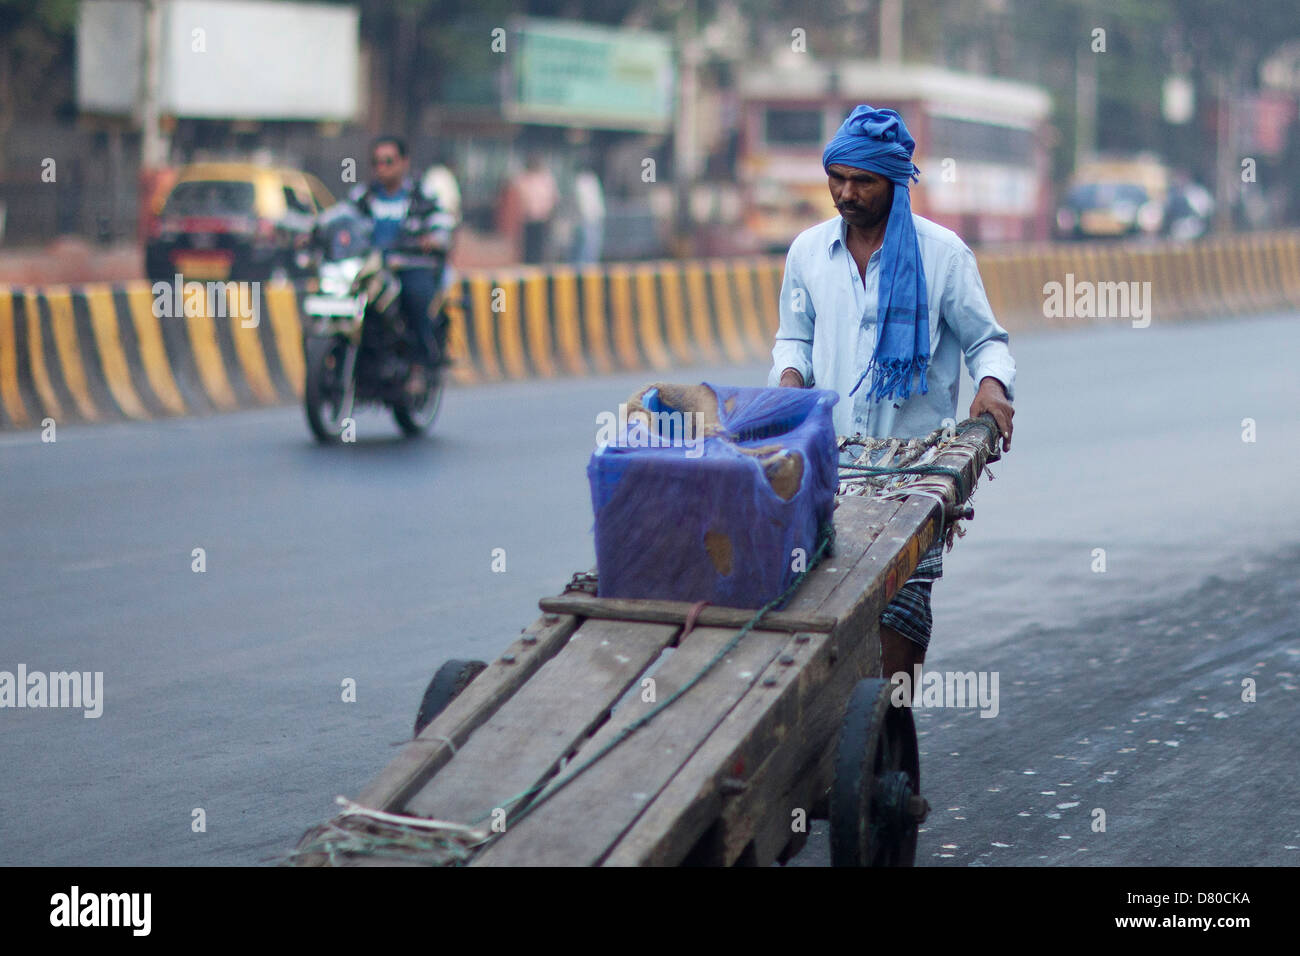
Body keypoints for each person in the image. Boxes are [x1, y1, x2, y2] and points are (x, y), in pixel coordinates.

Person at [769, 105, 1017, 684]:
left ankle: (890, 738)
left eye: (863, 182)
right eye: (837, 178)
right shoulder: (807, 252)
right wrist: (788, 383)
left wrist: (990, 386)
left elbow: (987, 342)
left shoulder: (944, 255)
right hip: (827, 466)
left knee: (897, 630)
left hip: (916, 477)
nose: (846, 194)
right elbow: (793, 337)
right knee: (814, 616)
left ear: (896, 182)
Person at [348, 135, 456, 391]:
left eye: (388, 161)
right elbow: (342, 220)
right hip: (371, 270)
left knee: (415, 296)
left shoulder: (422, 194)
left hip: (410, 266)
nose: (381, 168)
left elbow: (442, 223)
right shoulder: (362, 196)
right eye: (376, 162)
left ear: (404, 162)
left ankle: (419, 365)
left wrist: (434, 239)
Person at [514, 153, 559, 264]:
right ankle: (527, 262)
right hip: (527, 217)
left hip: (542, 217)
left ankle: (538, 262)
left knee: (540, 243)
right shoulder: (522, 178)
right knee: (528, 243)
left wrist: (550, 212)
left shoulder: (546, 178)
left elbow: (553, 197)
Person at [571, 167, 606, 265]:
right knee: (586, 246)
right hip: (587, 219)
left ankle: (589, 265)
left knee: (593, 246)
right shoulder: (581, 181)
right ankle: (582, 266)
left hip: (594, 218)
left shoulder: (591, 180)